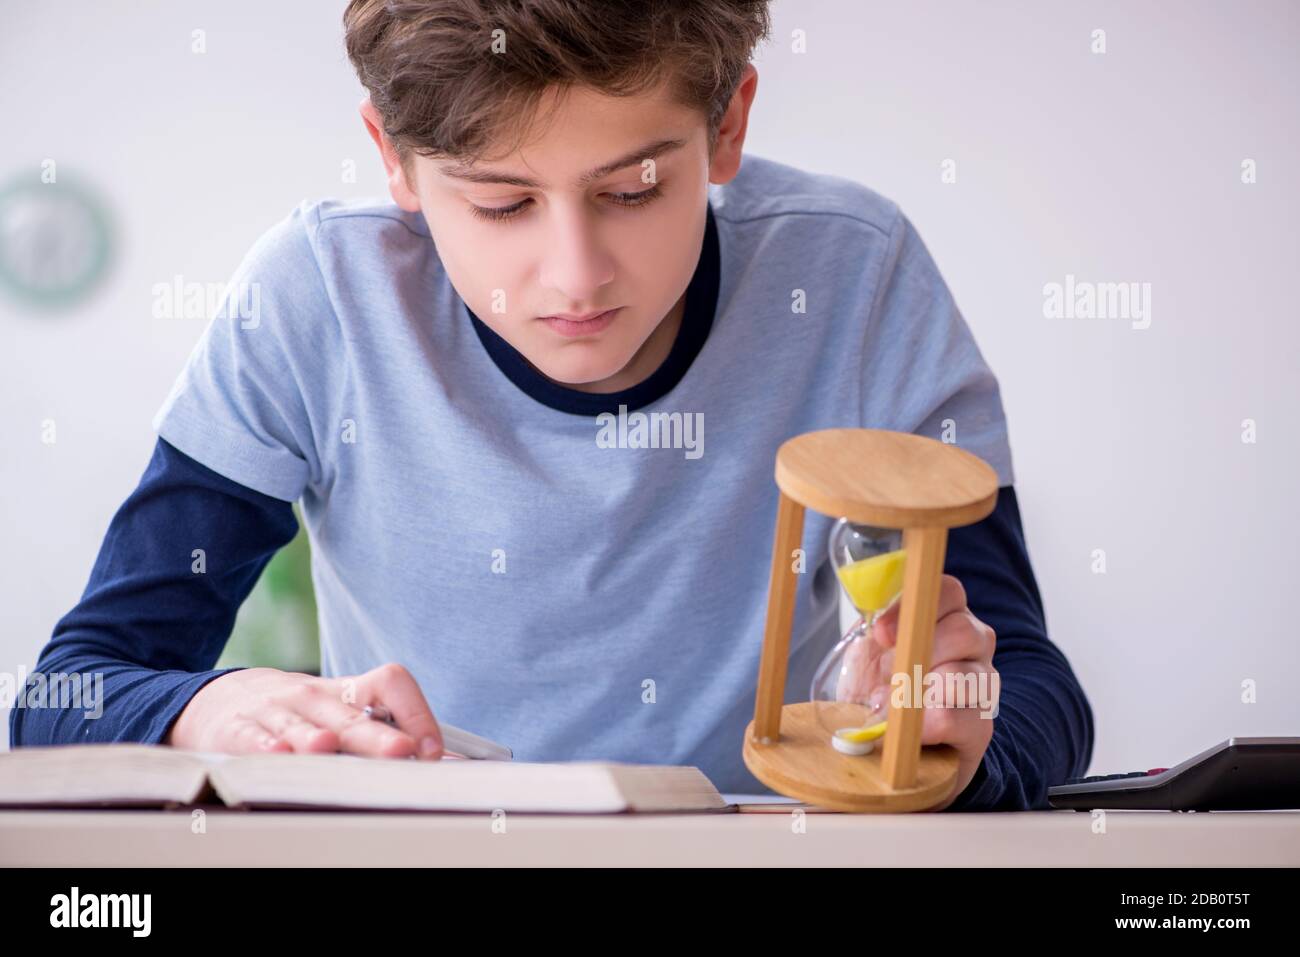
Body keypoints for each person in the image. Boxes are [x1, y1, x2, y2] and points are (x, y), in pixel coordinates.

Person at [11, 0, 1093, 809]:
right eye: (499, 201)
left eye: (632, 192)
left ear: (727, 125)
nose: (574, 278)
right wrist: (208, 705)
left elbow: (1039, 694)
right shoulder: (320, 297)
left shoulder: (855, 274)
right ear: (393, 159)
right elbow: (64, 696)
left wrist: (953, 741)